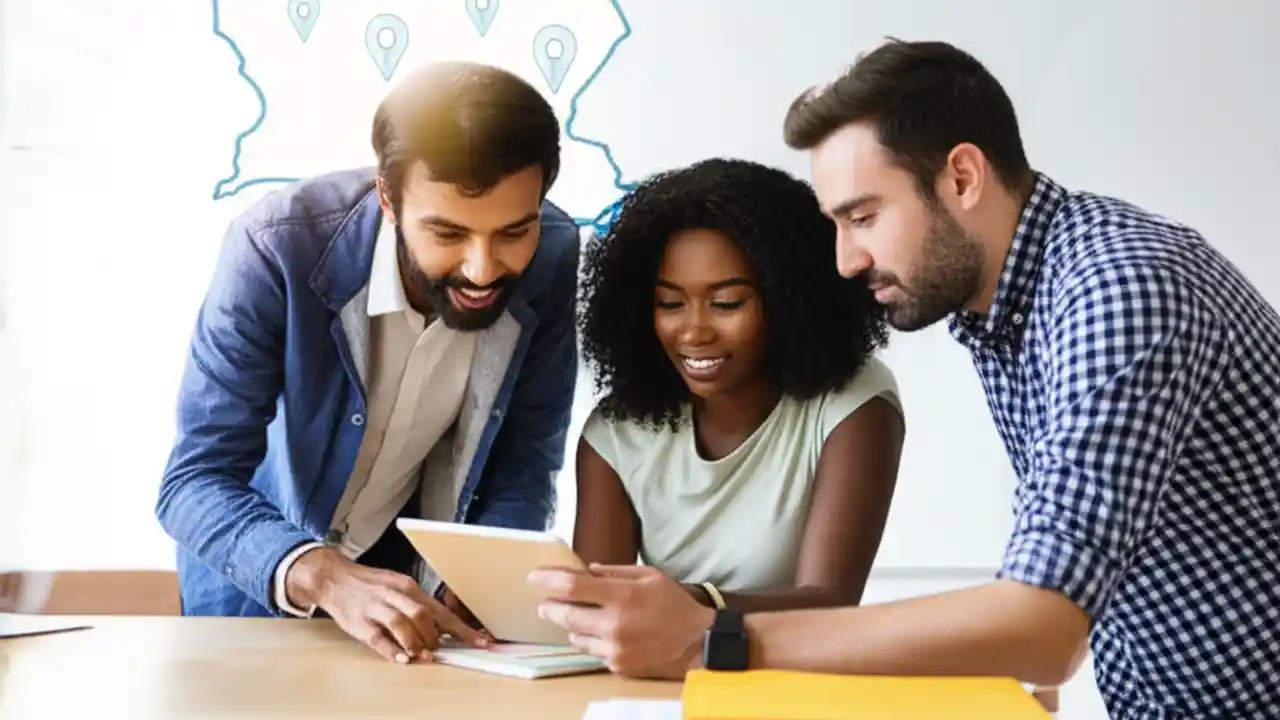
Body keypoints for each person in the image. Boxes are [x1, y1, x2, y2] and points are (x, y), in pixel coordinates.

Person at [529, 39, 1280, 719]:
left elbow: (1043, 629)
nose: (845, 262)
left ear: (961, 176)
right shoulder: (1011, 307)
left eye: (862, 217)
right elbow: (1048, 595)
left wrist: (710, 637)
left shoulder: (1115, 291)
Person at [157, 61, 580, 665]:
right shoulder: (274, 248)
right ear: (388, 197)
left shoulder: (554, 255)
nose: (484, 269)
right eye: (447, 233)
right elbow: (193, 480)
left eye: (515, 231)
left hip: (412, 612)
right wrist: (325, 576)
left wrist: (484, 574)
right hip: (259, 596)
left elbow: (524, 457)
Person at [572, 158, 904, 614]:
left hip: (792, 677)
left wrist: (689, 605)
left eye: (726, 303)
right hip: (653, 680)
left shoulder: (852, 404)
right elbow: (593, 612)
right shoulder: (615, 434)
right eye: (670, 303)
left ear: (788, 301)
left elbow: (829, 604)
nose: (693, 332)